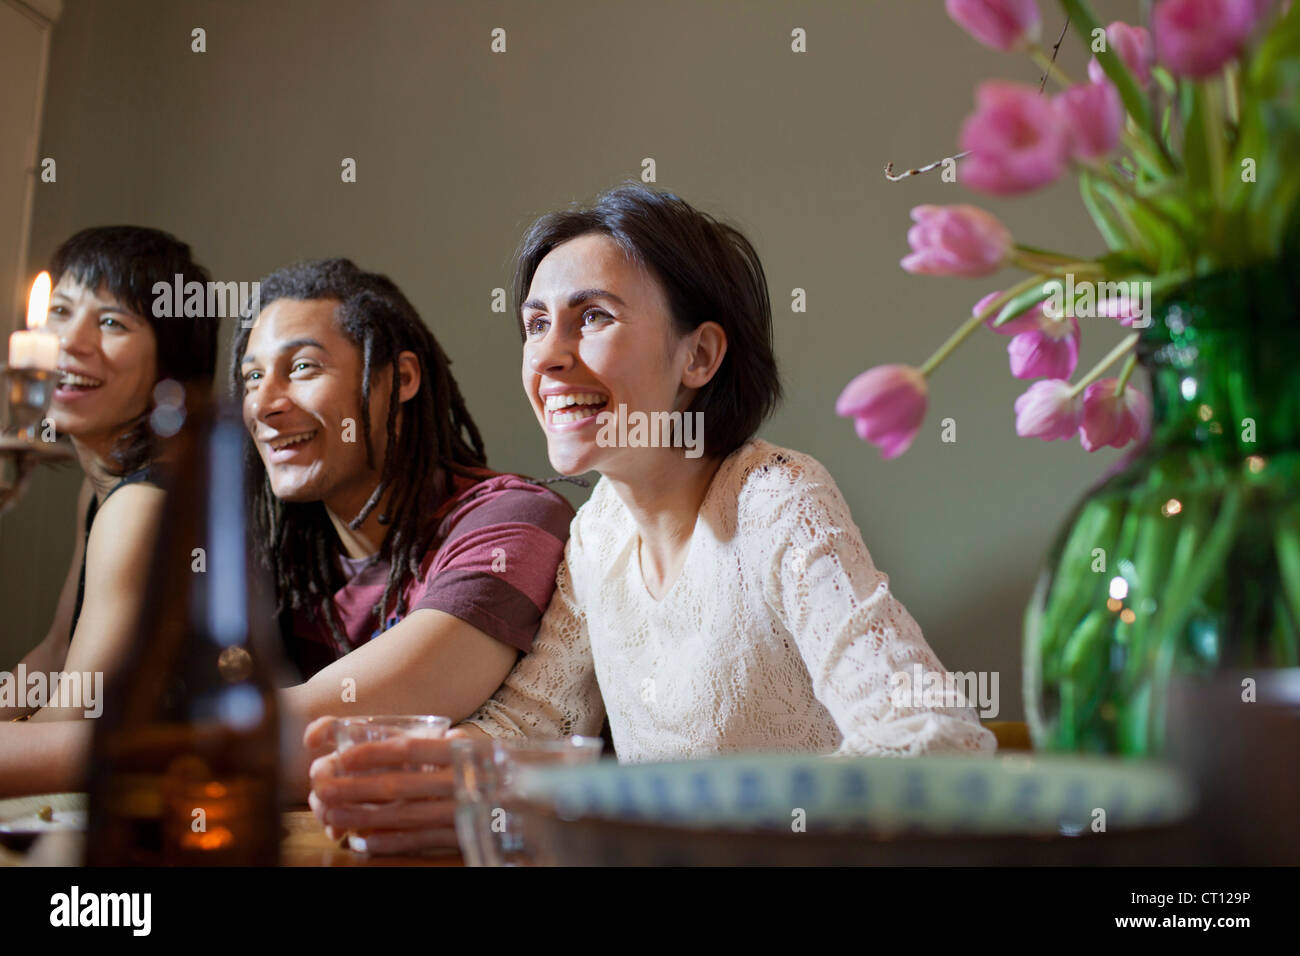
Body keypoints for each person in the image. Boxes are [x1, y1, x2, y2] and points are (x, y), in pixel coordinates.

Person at [305, 184, 996, 853]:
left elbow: (937, 743)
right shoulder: (599, 530)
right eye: (537, 324)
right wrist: (432, 768)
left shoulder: (777, 500)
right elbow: (536, 722)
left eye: (593, 317)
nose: (548, 355)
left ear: (698, 356)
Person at [234, 259, 575, 796]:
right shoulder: (286, 567)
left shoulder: (512, 522)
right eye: (253, 377)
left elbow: (321, 732)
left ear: (403, 377)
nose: (266, 404)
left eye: (301, 368)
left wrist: (99, 756)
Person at [0, 225, 218, 793]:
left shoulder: (142, 504)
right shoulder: (103, 490)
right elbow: (54, 656)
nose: (71, 341)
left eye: (112, 322)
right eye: (62, 311)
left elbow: (77, 712)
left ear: (168, 370)